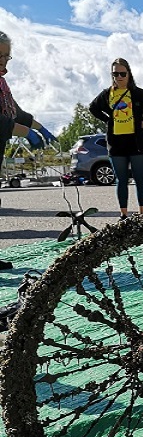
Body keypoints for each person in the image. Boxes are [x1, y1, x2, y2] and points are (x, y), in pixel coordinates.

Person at [0, 30, 57, 269]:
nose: (4, 61)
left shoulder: (2, 83)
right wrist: (26, 132)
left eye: (7, 57)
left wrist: (41, 128)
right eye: (0, 55)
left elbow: (17, 114)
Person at [89, 59, 143, 220]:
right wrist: (108, 119)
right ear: (112, 75)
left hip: (136, 142)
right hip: (116, 143)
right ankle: (123, 214)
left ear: (129, 74)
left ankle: (142, 213)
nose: (119, 77)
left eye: (123, 73)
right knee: (121, 180)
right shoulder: (107, 93)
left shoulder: (137, 93)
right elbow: (92, 107)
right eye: (115, 74)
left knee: (139, 178)